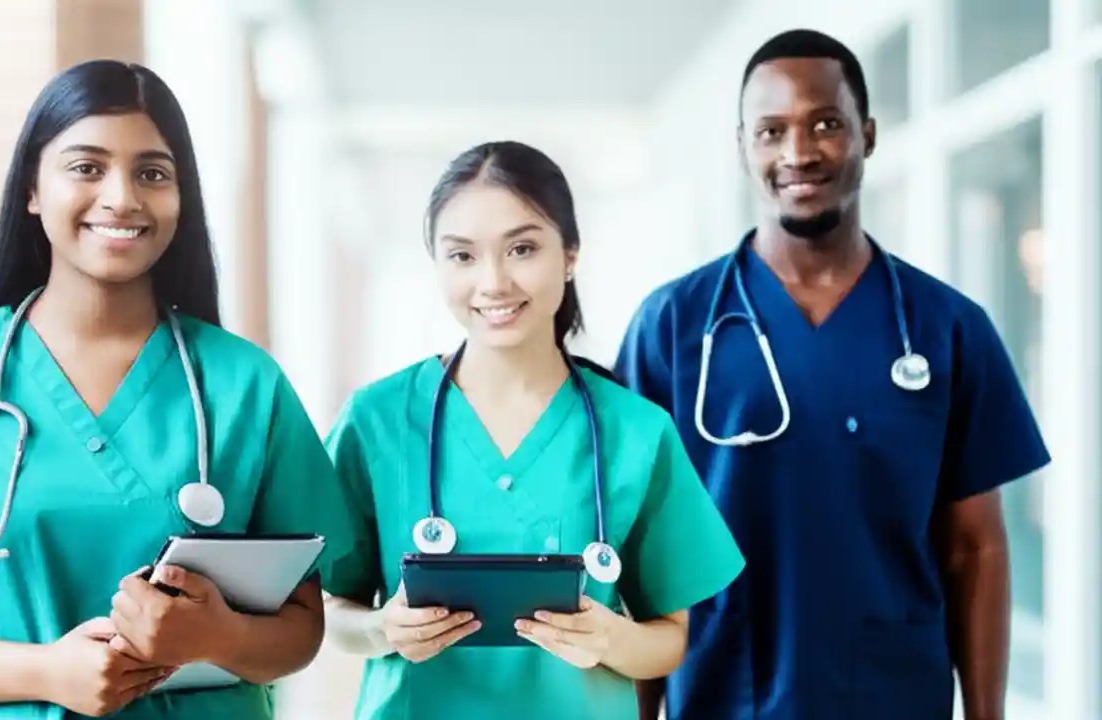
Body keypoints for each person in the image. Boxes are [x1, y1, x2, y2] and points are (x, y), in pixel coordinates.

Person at [0, 60, 354, 719]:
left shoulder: (245, 386)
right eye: (86, 167)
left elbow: (301, 629)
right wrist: (45, 672)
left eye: (153, 173)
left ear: (181, 198)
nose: (122, 197)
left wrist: (222, 635)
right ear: (32, 190)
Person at [615, 29, 1051, 720]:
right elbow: (639, 549)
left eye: (826, 123)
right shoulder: (671, 326)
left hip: (893, 698)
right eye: (771, 130)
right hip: (724, 697)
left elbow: (977, 547)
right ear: (742, 148)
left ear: (867, 133)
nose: (799, 152)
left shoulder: (948, 329)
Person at [321, 140, 744, 720]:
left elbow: (670, 638)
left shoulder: (635, 431)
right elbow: (326, 607)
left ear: (570, 254)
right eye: (463, 256)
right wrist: (381, 628)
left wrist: (611, 640)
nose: (493, 282)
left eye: (522, 248)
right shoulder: (377, 421)